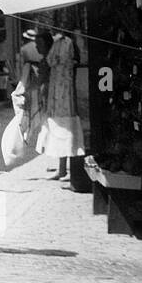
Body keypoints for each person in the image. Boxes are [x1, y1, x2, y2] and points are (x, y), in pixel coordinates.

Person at [38, 27, 85, 180]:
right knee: (59, 129)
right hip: (59, 91)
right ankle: (62, 168)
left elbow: (54, 60)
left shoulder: (65, 43)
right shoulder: (60, 42)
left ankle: (67, 169)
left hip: (64, 91)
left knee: (65, 129)